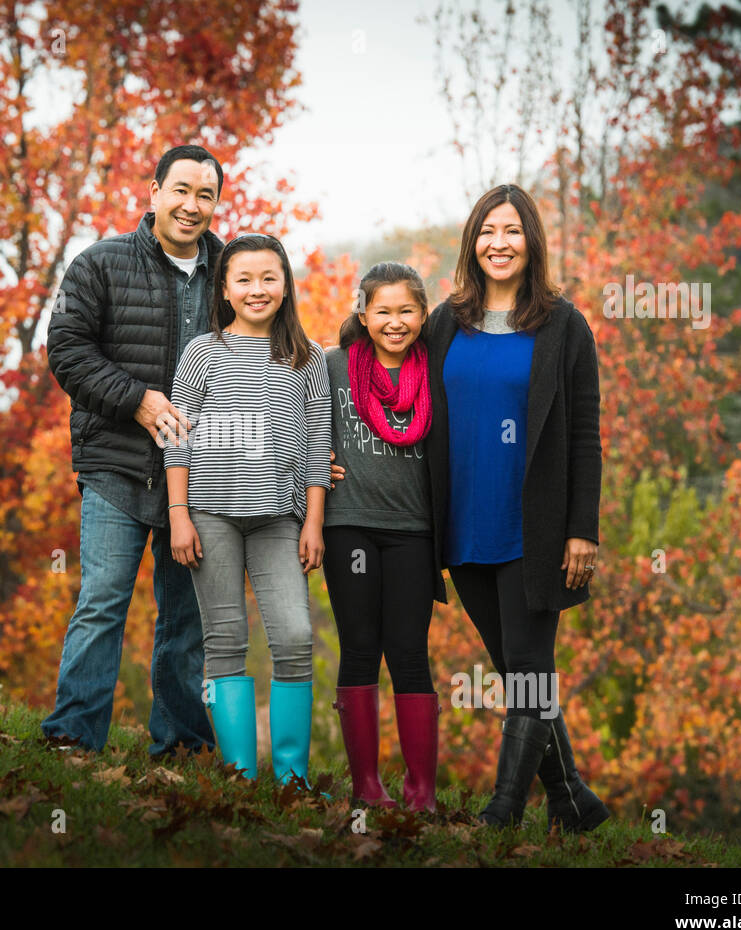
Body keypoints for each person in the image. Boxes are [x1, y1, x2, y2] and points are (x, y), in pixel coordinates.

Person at [424, 183, 610, 831]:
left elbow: (585, 433)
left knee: (529, 671)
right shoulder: (446, 321)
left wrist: (582, 530)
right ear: (472, 241)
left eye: (511, 231)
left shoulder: (564, 326)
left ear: (532, 242)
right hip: (463, 526)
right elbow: (397, 385)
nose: (497, 243)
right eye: (486, 231)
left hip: (536, 529)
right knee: (518, 672)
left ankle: (503, 809)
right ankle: (572, 801)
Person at [41, 145, 224, 757]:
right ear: (153, 191)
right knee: (101, 603)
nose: (191, 206)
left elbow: (275, 358)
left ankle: (180, 744)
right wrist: (138, 401)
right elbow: (66, 350)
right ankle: (73, 734)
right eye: (181, 190)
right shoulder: (98, 264)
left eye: (205, 195)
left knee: (186, 622)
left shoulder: (233, 274)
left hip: (203, 481)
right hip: (115, 465)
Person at [163, 233, 331, 785]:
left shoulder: (306, 359)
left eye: (269, 278)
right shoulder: (203, 353)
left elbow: (316, 441)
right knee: (226, 640)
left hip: (279, 521)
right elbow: (178, 436)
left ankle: (292, 778)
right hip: (209, 515)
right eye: (244, 279)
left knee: (294, 636)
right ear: (226, 289)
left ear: (284, 286)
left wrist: (313, 522)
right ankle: (238, 772)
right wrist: (178, 513)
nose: (257, 289)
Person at [323, 262, 443, 811]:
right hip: (350, 524)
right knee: (360, 648)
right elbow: (295, 425)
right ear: (363, 315)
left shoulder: (437, 371)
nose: (395, 322)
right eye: (383, 311)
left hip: (414, 531)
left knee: (410, 653)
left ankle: (421, 791)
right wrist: (312, 461)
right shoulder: (332, 368)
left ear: (423, 314)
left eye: (407, 311)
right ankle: (367, 787)